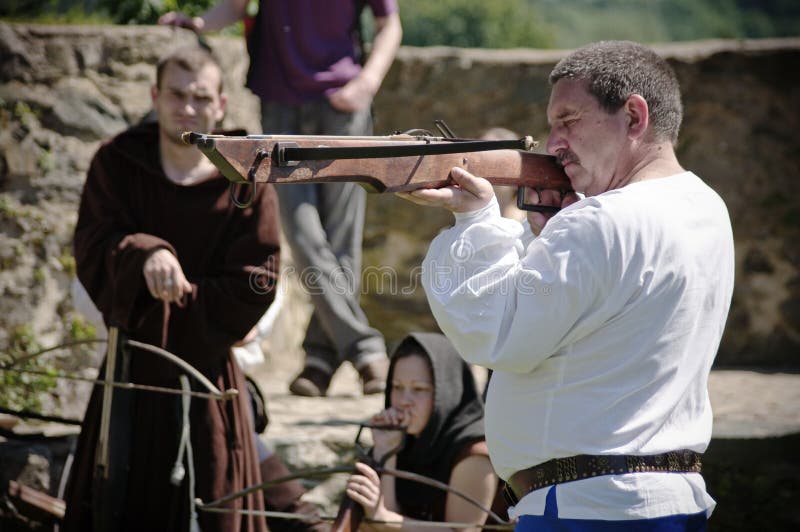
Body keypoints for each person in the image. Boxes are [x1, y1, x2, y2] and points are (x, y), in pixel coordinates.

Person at [398, 41, 734, 530]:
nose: (553, 143)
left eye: (569, 120)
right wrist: (545, 233)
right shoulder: (707, 206)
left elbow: (496, 332)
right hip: (664, 501)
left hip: (584, 509)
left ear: (634, 116)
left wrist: (474, 220)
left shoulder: (600, 220)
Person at [63, 46, 282, 532]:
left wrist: (183, 306)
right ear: (155, 96)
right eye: (177, 95)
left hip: (209, 374)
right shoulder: (117, 163)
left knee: (212, 501)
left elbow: (259, 277)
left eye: (200, 97)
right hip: (130, 366)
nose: (188, 108)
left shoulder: (245, 176)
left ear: (221, 105)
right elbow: (94, 243)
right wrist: (145, 255)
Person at [159, 0, 403, 397]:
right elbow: (237, 6)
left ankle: (320, 361)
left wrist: (367, 82)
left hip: (343, 104)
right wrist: (201, 24)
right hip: (279, 104)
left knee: (340, 238)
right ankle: (365, 348)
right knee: (304, 234)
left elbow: (390, 24)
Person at [344, 333, 503, 531]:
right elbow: (382, 525)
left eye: (419, 389)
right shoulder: (405, 439)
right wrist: (387, 450)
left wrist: (384, 518)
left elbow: (463, 531)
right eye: (397, 387)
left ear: (447, 392)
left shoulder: (474, 454)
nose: (403, 400)